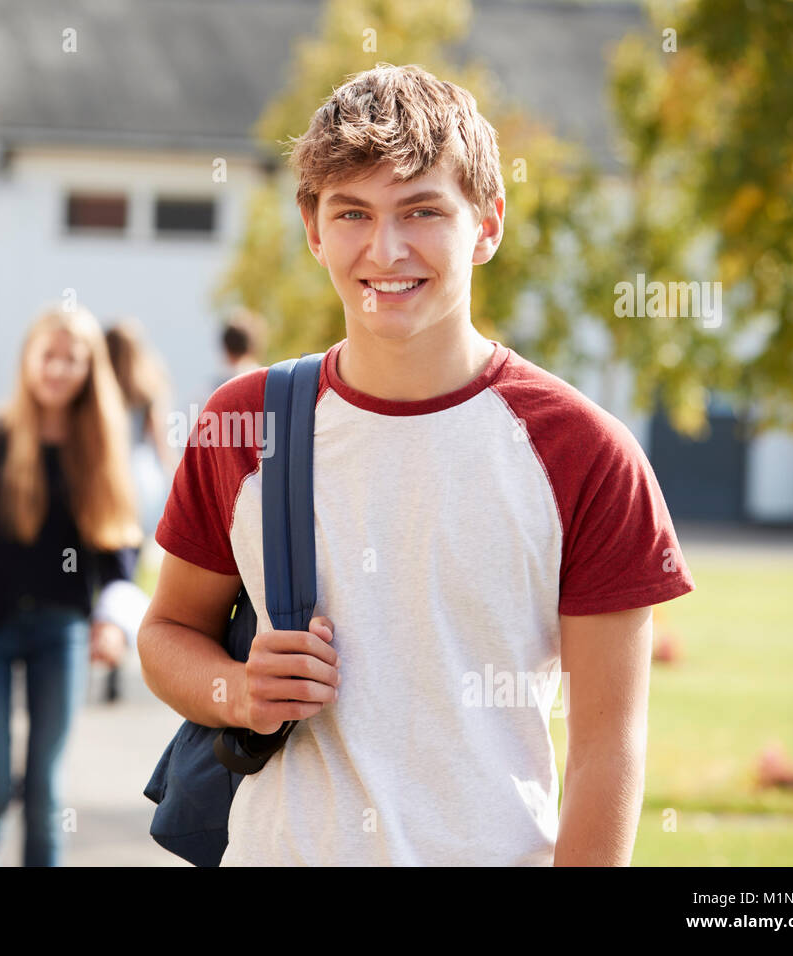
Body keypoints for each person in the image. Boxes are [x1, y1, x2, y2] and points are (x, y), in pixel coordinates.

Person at [137, 64, 697, 866]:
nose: (384, 248)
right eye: (353, 212)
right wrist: (237, 690)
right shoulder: (242, 423)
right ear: (313, 227)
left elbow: (608, 753)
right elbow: (167, 633)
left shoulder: (587, 455)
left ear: (488, 224)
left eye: (423, 210)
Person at [0, 304, 149, 867]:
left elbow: (120, 546)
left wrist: (114, 623)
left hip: (61, 633)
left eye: (72, 359)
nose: (58, 369)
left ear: (89, 368)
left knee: (45, 791)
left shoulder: (99, 444)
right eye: (49, 356)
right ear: (28, 359)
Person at [103, 319, 177, 702]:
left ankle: (110, 636)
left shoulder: (100, 387)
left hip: (110, 477)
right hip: (143, 478)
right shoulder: (147, 386)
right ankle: (123, 636)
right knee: (132, 567)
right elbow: (161, 443)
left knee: (111, 562)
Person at [214, 306, 267, 390]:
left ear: (226, 348)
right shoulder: (268, 382)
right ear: (254, 347)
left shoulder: (212, 389)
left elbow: (195, 403)